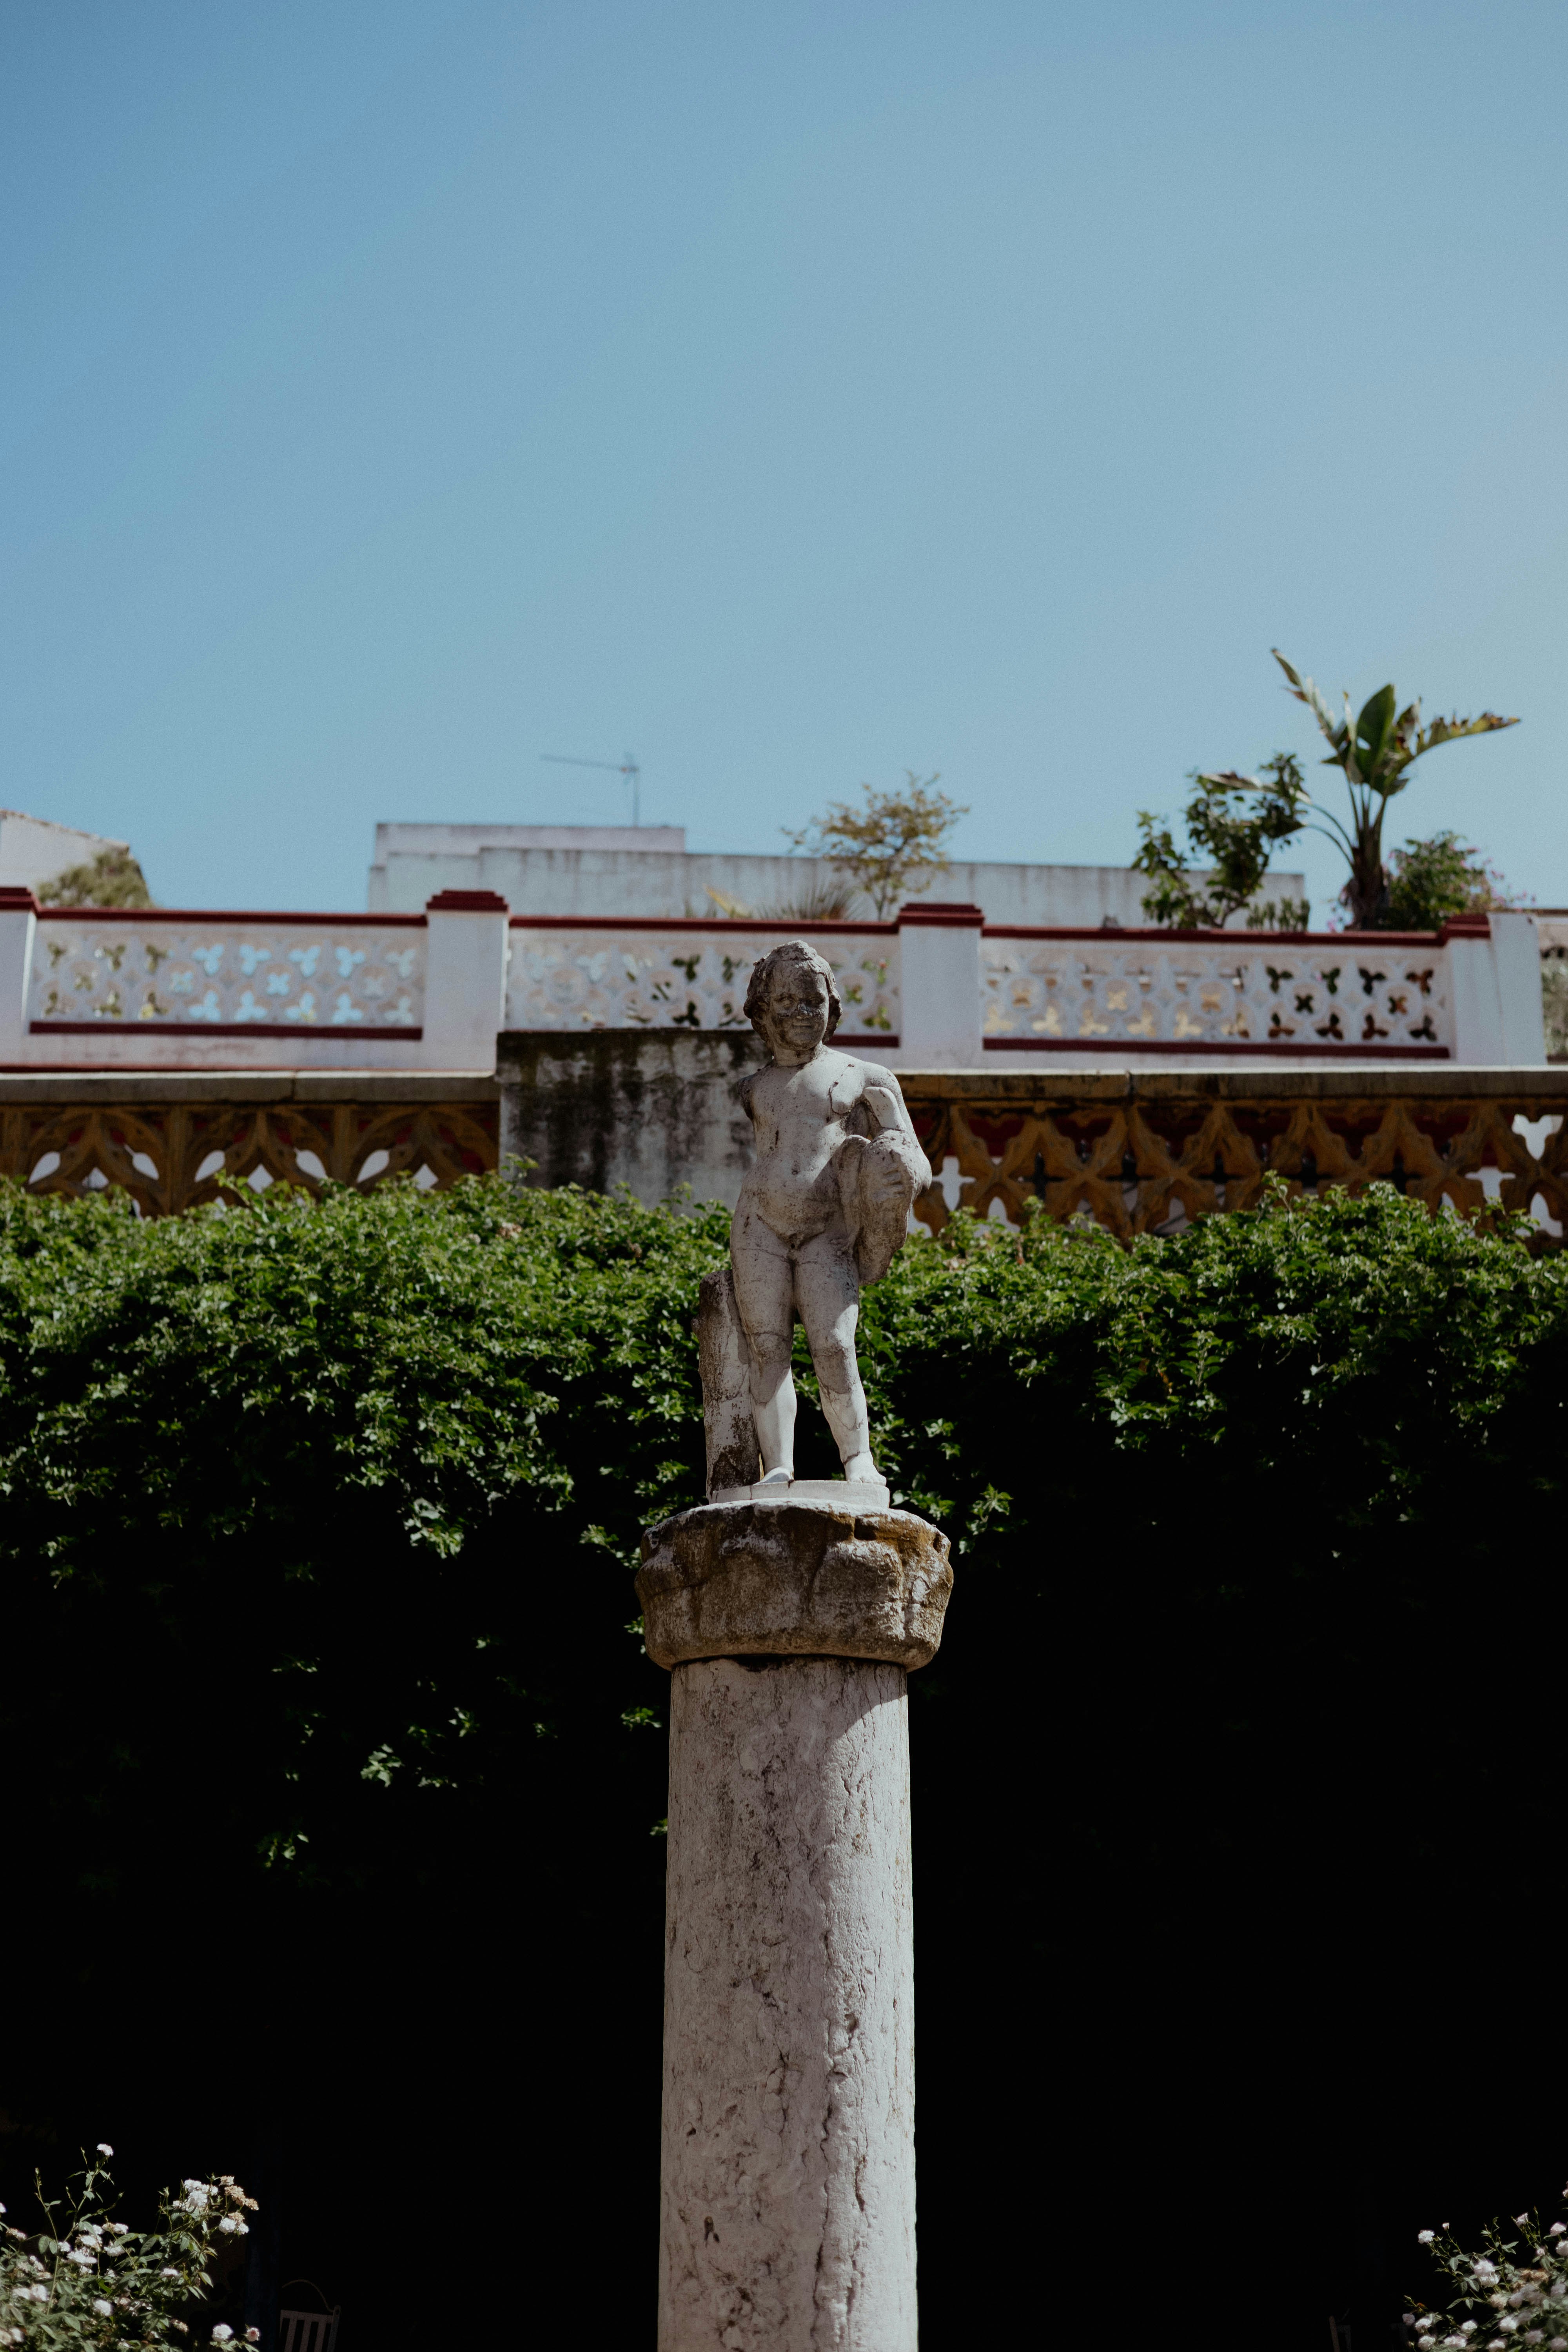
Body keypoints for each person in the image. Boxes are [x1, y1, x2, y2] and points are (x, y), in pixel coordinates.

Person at [729, 938, 931, 1487]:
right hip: (759, 1223)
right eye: (788, 1002)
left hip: (828, 1230)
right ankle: (779, 1468)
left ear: (832, 1007)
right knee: (766, 1344)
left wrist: (895, 1159)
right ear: (764, 1010)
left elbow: (917, 1162)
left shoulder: (866, 1077)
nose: (802, 1013)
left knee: (836, 1344)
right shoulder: (753, 1088)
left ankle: (858, 1460)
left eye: (813, 1001)